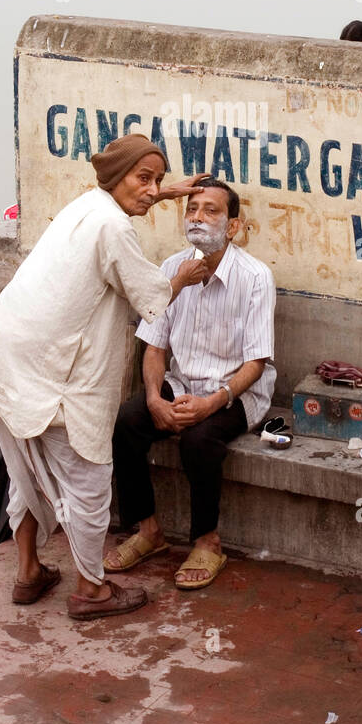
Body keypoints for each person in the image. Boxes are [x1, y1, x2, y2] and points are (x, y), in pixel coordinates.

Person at [0, 134, 209, 621]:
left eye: (156, 180)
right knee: (89, 478)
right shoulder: (114, 229)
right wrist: (184, 276)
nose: (150, 188)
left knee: (27, 468)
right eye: (144, 178)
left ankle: (29, 571)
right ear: (117, 179)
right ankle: (92, 591)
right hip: (51, 369)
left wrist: (167, 190)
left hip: (7, 357)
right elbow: (151, 296)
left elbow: (130, 190)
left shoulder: (86, 206)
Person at [105, 175, 276, 591]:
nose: (198, 217)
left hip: (237, 391)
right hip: (180, 384)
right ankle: (148, 531)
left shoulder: (255, 277)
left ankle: (207, 542)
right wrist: (153, 398)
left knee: (200, 441)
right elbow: (155, 348)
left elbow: (255, 363)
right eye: (193, 209)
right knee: (127, 421)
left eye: (211, 210)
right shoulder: (170, 269)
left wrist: (212, 403)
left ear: (232, 226)